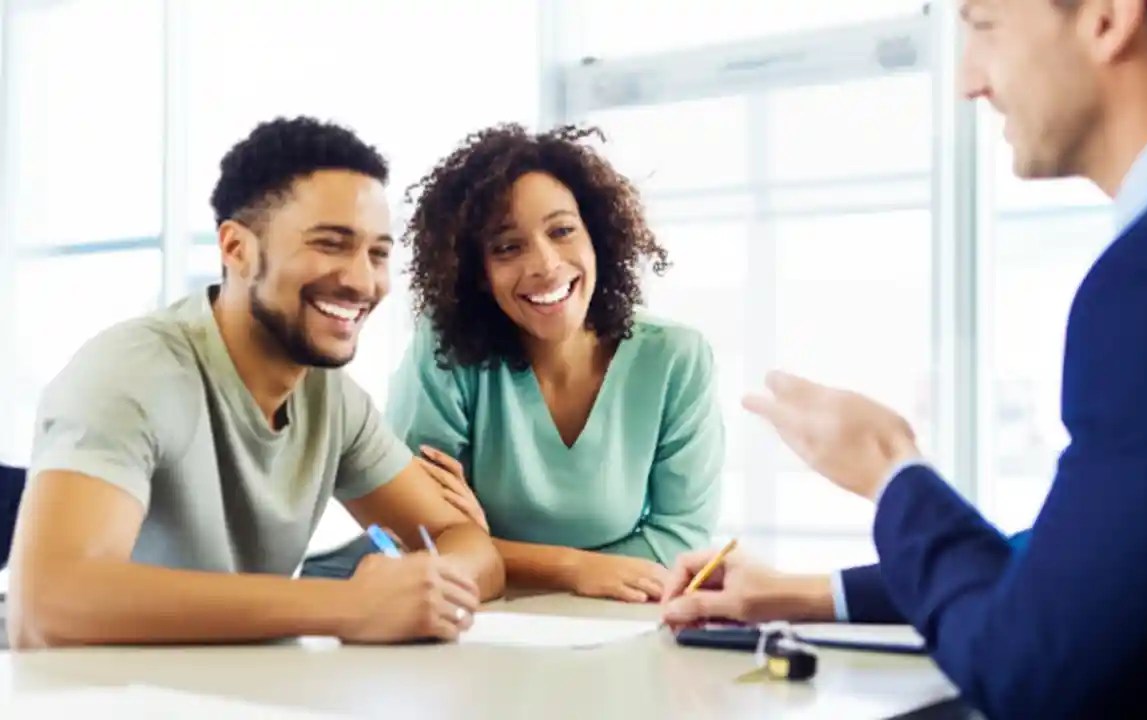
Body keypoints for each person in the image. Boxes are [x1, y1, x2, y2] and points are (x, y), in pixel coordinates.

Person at [661, 1, 1147, 718]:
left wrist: (891, 471)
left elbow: (1036, 675)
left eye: (985, 27)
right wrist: (813, 593)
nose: (968, 81)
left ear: (1108, 19)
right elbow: (1112, 549)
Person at [7, 117, 504, 649]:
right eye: (331, 244)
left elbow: (466, 542)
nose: (363, 280)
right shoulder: (131, 371)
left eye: (377, 254)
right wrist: (348, 605)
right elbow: (47, 603)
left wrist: (429, 586)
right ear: (236, 249)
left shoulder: (329, 397)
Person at [343, 124, 724, 603]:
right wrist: (574, 568)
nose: (545, 264)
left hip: (624, 622)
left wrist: (488, 548)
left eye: (562, 231)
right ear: (477, 273)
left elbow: (682, 542)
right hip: (481, 627)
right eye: (507, 247)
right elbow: (416, 535)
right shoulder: (445, 353)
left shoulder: (675, 358)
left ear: (598, 236)